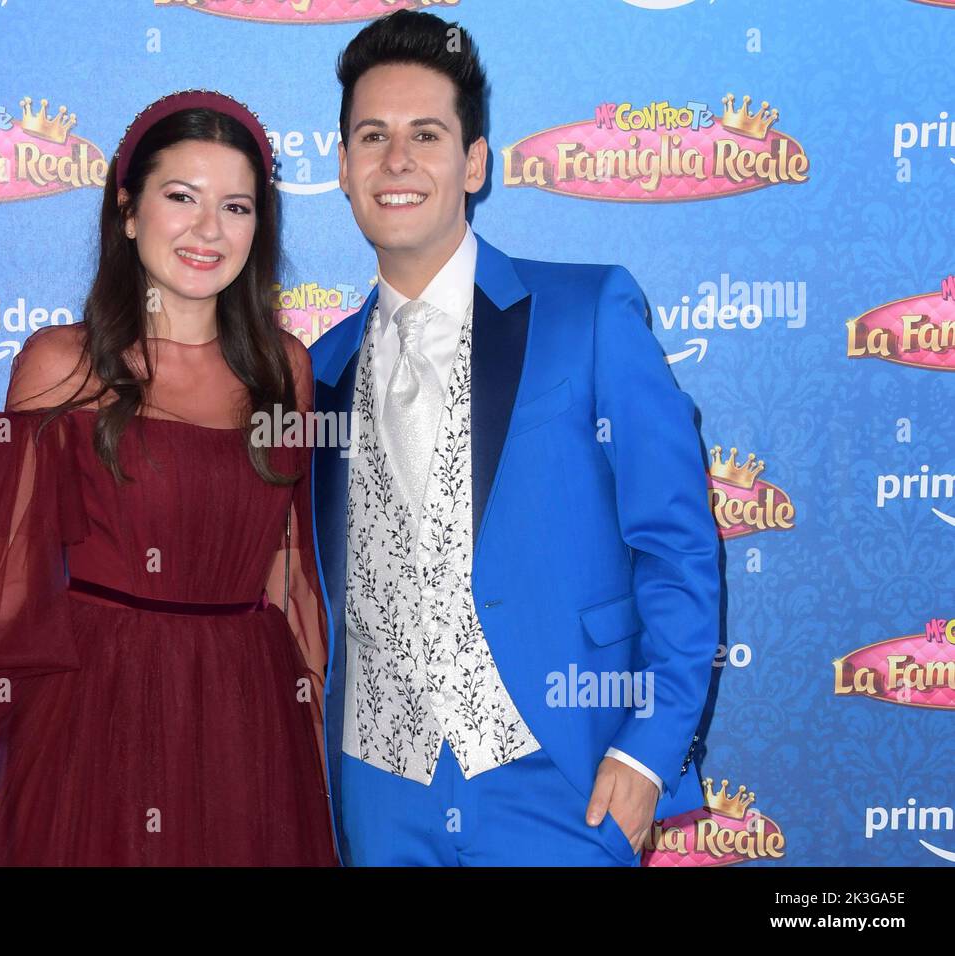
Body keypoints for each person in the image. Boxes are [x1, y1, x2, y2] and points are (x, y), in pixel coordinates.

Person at [0, 89, 338, 866]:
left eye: (236, 207)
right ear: (128, 207)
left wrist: (307, 748)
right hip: (92, 716)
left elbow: (287, 573)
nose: (209, 229)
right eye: (182, 197)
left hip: (245, 716)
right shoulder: (63, 364)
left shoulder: (287, 370)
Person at [307, 11, 721, 865]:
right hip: (375, 795)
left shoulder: (590, 311)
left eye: (426, 134)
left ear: (475, 162)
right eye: (372, 136)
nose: (397, 160)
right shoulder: (314, 375)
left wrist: (651, 748)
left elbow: (676, 544)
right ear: (343, 168)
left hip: (562, 781)